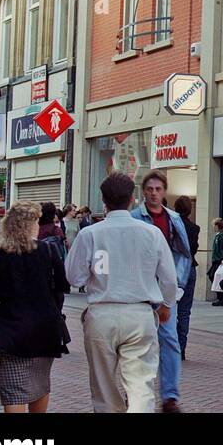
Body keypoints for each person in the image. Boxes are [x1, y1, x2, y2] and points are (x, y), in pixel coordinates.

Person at [64, 171, 177, 413]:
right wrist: (167, 304)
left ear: (103, 201)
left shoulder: (90, 234)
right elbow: (169, 277)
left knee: (103, 387)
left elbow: (74, 277)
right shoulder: (152, 233)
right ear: (132, 199)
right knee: (140, 386)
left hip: (101, 312)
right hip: (140, 312)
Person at [0, 200, 68, 413]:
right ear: (32, 224)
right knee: (40, 385)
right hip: (45, 330)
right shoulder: (47, 250)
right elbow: (62, 287)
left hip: (11, 331)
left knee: (13, 391)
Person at [131, 171, 194, 411]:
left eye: (158, 189)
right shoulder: (135, 218)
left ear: (164, 191)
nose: (154, 193)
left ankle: (169, 397)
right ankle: (136, 390)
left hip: (166, 287)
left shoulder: (174, 218)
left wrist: (176, 288)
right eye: (150, 189)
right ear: (143, 191)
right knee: (138, 342)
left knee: (169, 340)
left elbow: (183, 254)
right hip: (140, 287)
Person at [172, 196, 199, 358]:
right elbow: (193, 250)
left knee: (169, 307)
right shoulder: (194, 228)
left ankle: (171, 345)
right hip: (190, 269)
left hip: (173, 268)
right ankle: (181, 347)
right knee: (184, 311)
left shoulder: (173, 226)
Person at [208, 218, 223, 306]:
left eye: (214, 225)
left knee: (215, 277)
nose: (213, 227)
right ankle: (220, 297)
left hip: (219, 261)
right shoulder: (218, 235)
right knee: (213, 276)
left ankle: (221, 298)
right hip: (216, 260)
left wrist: (222, 259)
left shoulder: (222, 236)